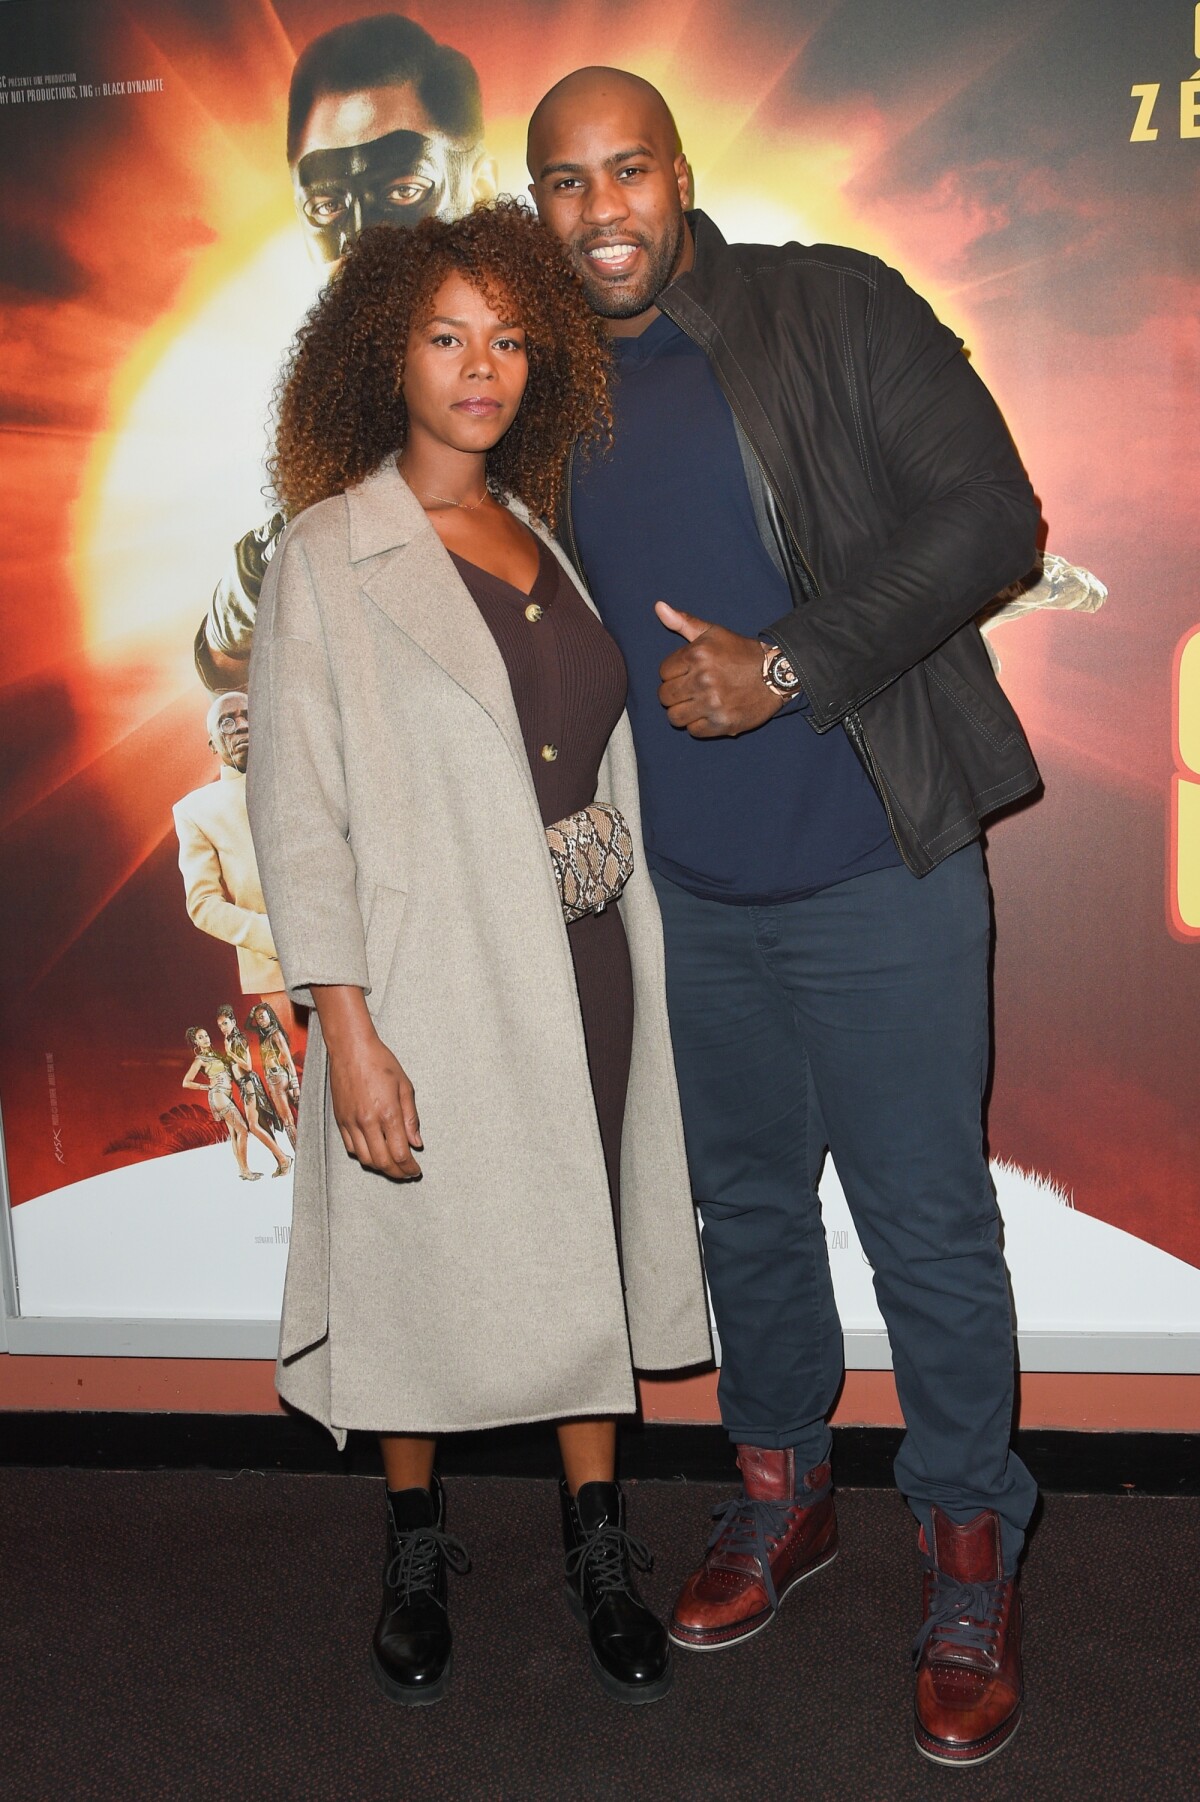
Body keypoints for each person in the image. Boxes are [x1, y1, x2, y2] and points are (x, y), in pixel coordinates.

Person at [528, 67, 1040, 1766]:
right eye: (565, 183)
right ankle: (784, 1495)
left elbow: (992, 516)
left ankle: (969, 1558)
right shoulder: (538, 388)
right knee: (745, 1214)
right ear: (541, 206)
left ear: (680, 173)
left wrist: (794, 663)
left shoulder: (830, 303)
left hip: (877, 864)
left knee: (928, 1229)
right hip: (689, 893)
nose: (602, 208)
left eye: (627, 170)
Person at [245, 201, 710, 1708]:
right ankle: (415, 1537)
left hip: (584, 959)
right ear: (387, 353)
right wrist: (348, 1026)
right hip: (428, 975)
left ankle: (596, 1540)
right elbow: (297, 811)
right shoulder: (330, 552)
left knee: (577, 1241)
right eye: (447, 336)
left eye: (509, 337)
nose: (482, 367)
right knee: (422, 1253)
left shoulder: (543, 532)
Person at [195, 11, 497, 694]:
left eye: (402, 190)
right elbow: (225, 666)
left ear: (476, 184)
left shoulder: (548, 363)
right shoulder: (312, 410)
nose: (364, 238)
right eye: (328, 205)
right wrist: (290, 537)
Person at [172, 693, 299, 1039]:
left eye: (249, 715)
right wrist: (274, 937)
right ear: (212, 743)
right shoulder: (195, 809)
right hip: (278, 971)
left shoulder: (306, 776)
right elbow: (203, 905)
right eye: (227, 722)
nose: (241, 725)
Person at [216, 1003, 291, 1176]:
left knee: (254, 1126)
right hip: (244, 1086)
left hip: (250, 1083)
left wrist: (230, 1054)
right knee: (261, 1125)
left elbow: (248, 1066)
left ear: (233, 1022)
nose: (223, 1028)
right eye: (220, 1025)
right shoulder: (229, 1040)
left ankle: (284, 1158)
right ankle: (282, 1161)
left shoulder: (239, 1039)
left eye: (225, 1023)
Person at [181, 1027, 256, 1180]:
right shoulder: (200, 1060)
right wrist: (207, 1086)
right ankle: (247, 1170)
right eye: (201, 1037)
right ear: (196, 1042)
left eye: (206, 1035)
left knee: (235, 1134)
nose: (206, 1039)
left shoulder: (216, 1055)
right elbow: (186, 1082)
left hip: (227, 1095)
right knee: (242, 1130)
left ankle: (243, 1170)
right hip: (219, 1095)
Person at [244, 1002, 299, 1151]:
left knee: (287, 1121)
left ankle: (300, 1155)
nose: (260, 1021)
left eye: (262, 1017)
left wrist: (296, 1086)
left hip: (278, 1080)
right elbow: (248, 1026)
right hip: (278, 1079)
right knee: (292, 1117)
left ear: (270, 1016)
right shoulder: (266, 1034)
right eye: (258, 1018)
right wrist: (252, 1013)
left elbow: (288, 1059)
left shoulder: (275, 1034)